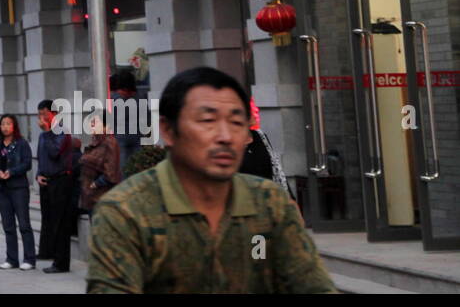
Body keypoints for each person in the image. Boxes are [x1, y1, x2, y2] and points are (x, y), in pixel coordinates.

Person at [87, 67, 336, 294]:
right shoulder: (125, 212)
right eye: (207, 121)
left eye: (237, 122)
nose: (226, 136)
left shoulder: (270, 204)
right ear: (168, 130)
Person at [36, 99, 77, 274]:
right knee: (50, 221)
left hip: (61, 181)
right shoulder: (43, 135)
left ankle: (61, 262)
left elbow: (54, 152)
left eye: (45, 114)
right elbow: (41, 156)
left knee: (61, 223)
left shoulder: (60, 131)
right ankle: (50, 254)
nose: (42, 118)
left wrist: (47, 131)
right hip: (46, 181)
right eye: (40, 115)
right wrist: (38, 174)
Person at [0, 114, 36, 272]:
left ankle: (29, 258)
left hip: (18, 187)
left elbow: (27, 164)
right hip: (2, 188)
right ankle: (11, 259)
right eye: (2, 124)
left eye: (8, 124)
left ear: (14, 126)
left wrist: (11, 172)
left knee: (24, 224)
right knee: (8, 225)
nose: (5, 127)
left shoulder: (21, 143)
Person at [78, 118, 121, 214]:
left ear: (106, 126)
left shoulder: (109, 142)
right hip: (90, 199)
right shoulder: (96, 141)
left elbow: (111, 173)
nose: (91, 125)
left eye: (95, 122)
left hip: (100, 199)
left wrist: (95, 184)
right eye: (91, 122)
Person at [109, 70, 142, 173]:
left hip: (120, 136)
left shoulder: (113, 98)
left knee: (122, 168)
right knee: (136, 167)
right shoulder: (138, 97)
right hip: (137, 135)